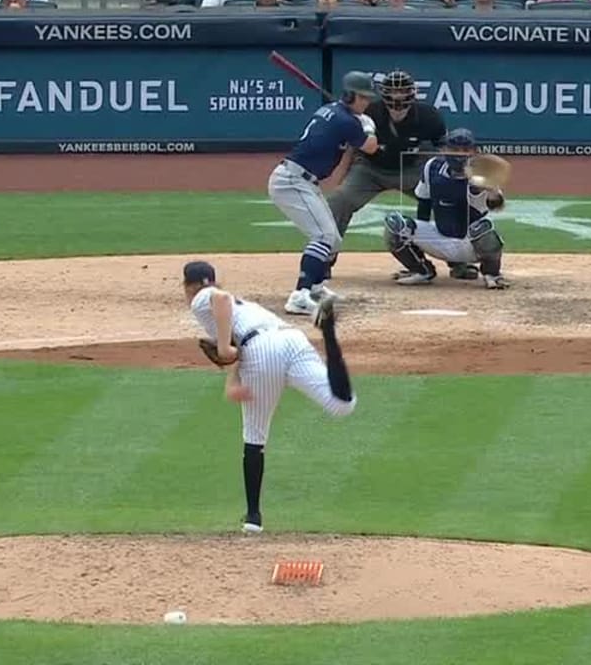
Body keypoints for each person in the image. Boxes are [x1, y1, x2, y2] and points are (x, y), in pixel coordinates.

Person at [180, 259, 357, 535]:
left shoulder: (201, 297)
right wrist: (231, 378)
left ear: (189, 285)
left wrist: (224, 347)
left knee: (254, 435)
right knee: (342, 405)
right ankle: (329, 333)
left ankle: (253, 518)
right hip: (291, 339)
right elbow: (241, 339)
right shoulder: (248, 308)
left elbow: (221, 299)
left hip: (261, 353)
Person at [267, 72, 380, 317]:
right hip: (292, 180)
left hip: (303, 180)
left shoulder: (337, 112)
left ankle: (316, 287)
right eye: (363, 97)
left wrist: (360, 122)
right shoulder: (345, 120)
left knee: (333, 239)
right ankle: (300, 295)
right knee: (323, 236)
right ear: (350, 95)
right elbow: (370, 147)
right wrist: (368, 127)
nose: (367, 102)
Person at [324, 70, 461, 272]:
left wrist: (450, 182)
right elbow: (352, 149)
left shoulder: (429, 116)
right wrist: (338, 181)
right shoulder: (368, 114)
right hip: (370, 169)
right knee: (339, 200)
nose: (397, 100)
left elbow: (444, 151)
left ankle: (458, 261)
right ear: (384, 95)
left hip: (412, 169)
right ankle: (325, 258)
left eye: (402, 93)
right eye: (393, 94)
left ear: (411, 94)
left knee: (449, 200)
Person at [382, 128, 508, 289]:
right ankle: (421, 270)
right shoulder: (432, 167)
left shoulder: (481, 176)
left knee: (484, 228)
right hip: (440, 237)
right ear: (444, 149)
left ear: (474, 151)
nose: (459, 154)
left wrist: (491, 190)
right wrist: (421, 239)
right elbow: (424, 203)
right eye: (454, 149)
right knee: (395, 224)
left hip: (470, 244)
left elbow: (495, 204)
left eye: (465, 149)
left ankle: (492, 275)